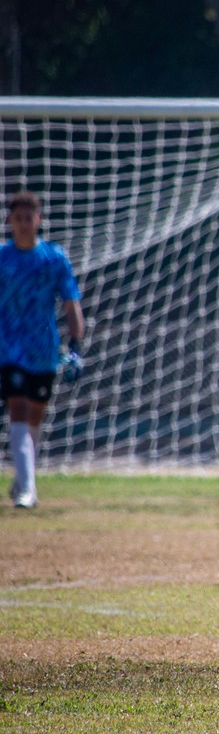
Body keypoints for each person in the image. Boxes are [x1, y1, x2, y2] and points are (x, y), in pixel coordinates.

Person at [0, 191, 85, 509]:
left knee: (35, 415)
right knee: (18, 409)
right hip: (8, 349)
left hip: (44, 350)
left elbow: (71, 303)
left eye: (29, 218)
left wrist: (76, 345)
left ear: (39, 220)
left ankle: (24, 478)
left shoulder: (54, 258)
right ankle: (28, 492)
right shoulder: (2, 258)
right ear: (10, 221)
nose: (23, 224)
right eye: (18, 219)